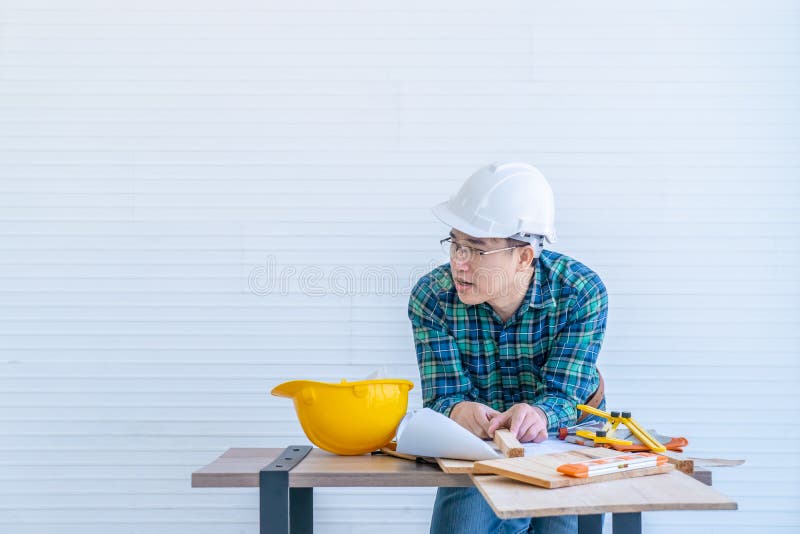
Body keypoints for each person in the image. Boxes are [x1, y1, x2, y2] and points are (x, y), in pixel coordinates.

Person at [407, 162, 608, 534]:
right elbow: (442, 397)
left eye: (476, 250)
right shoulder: (432, 297)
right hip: (477, 443)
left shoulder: (580, 293)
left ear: (524, 257)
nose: (458, 262)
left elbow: (566, 396)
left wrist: (540, 414)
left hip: (563, 436)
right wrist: (458, 410)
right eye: (455, 244)